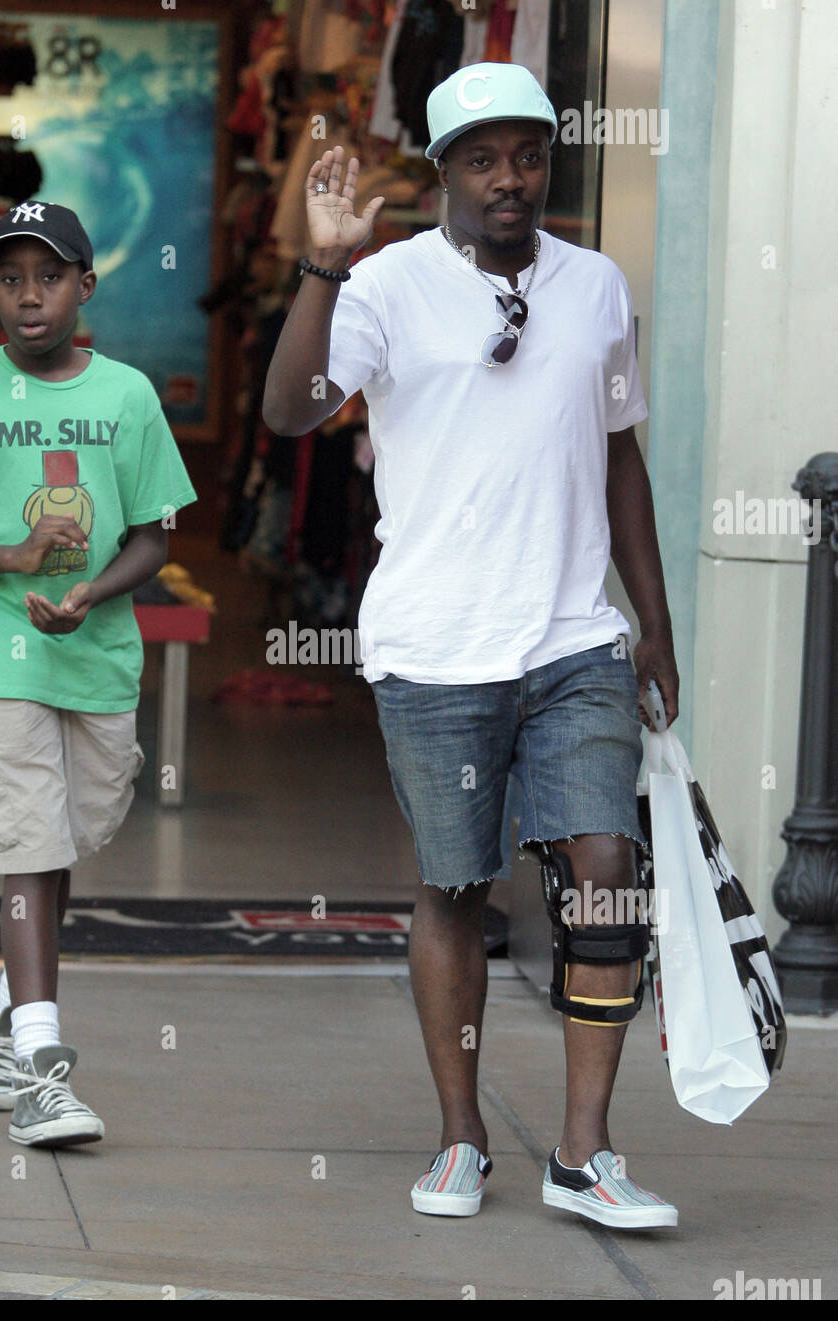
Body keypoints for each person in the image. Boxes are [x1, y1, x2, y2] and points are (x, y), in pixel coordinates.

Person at [263, 64, 680, 1229]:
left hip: (572, 642)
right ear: (443, 171)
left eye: (529, 156)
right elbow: (290, 412)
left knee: (603, 872)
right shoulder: (385, 283)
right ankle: (459, 1137)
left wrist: (649, 620)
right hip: (437, 647)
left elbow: (620, 456)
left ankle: (584, 1152)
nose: (511, 179)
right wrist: (322, 265)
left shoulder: (594, 285)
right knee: (456, 883)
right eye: (484, 159)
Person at [0, 202, 196, 1148]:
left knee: (69, 834)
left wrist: (92, 592)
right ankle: (44, 1074)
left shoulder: (130, 397)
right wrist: (13, 562)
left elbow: (153, 535)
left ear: (84, 287)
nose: (28, 296)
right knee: (26, 835)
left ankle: (6, 1012)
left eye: (48, 277)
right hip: (3, 656)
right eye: (9, 278)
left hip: (97, 655)